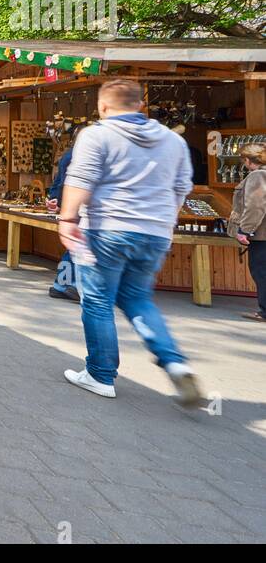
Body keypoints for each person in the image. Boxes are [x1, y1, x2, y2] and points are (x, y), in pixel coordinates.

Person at [58, 79, 200, 406]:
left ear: (103, 106)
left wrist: (67, 219)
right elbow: (181, 188)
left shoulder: (97, 134)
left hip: (107, 229)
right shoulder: (172, 140)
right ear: (140, 105)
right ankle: (174, 362)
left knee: (97, 300)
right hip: (154, 232)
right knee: (138, 298)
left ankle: (100, 374)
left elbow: (81, 179)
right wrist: (163, 221)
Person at [230, 143, 266, 323]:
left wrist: (245, 230)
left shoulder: (257, 176)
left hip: (262, 234)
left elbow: (255, 205)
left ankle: (265, 311)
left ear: (247, 160)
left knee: (261, 271)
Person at [46, 128, 80, 302]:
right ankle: (71, 284)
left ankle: (62, 284)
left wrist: (55, 199)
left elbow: (59, 181)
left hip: (71, 206)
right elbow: (67, 182)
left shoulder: (69, 155)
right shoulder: (79, 156)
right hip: (79, 207)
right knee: (78, 248)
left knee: (74, 248)